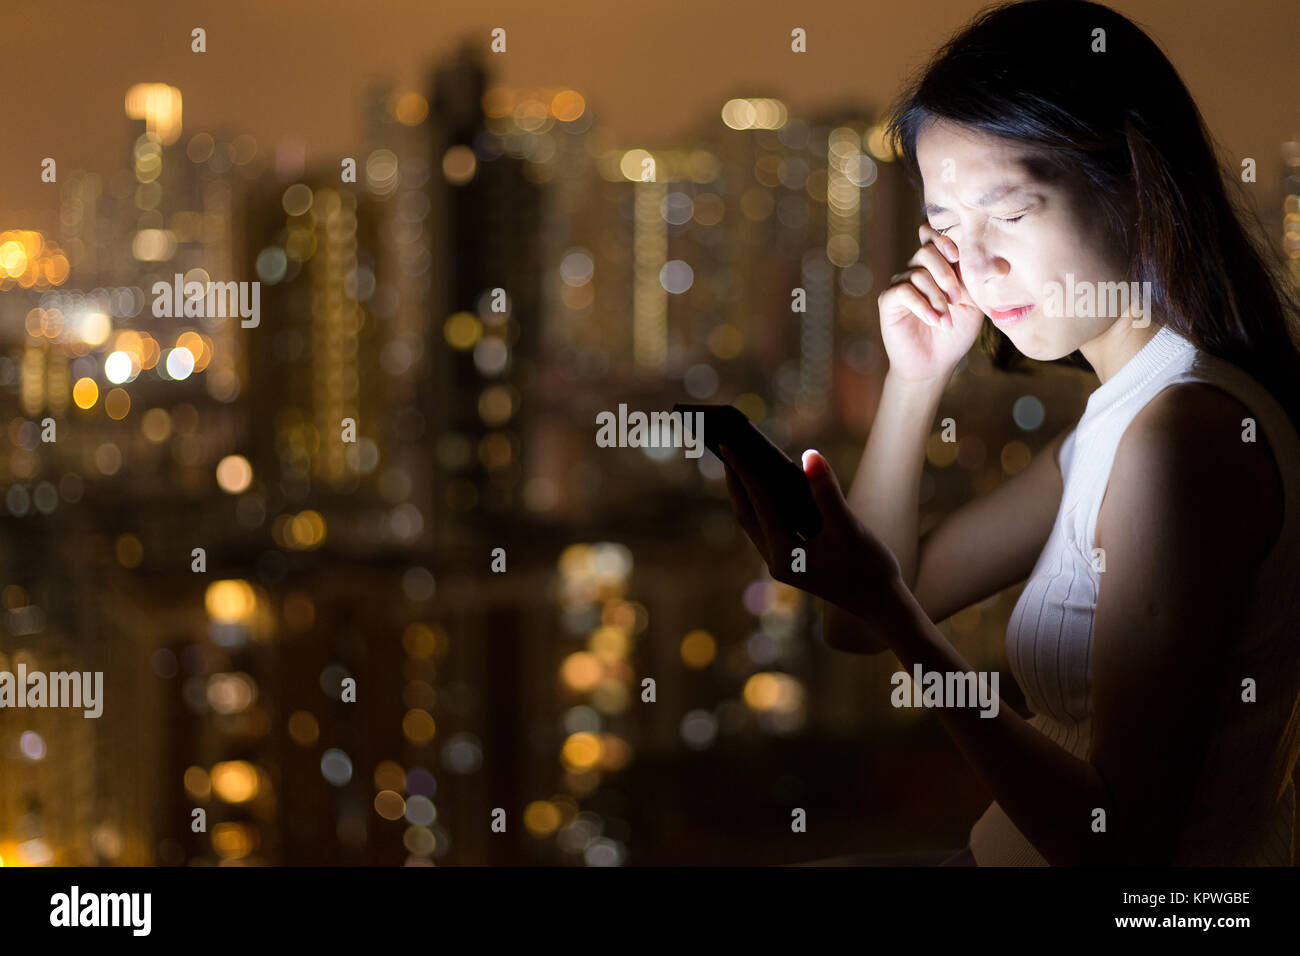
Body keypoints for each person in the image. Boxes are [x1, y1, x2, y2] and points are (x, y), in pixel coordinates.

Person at [720, 0, 1300, 865]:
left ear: (1137, 184)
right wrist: (917, 379)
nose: (977, 265)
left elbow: (1122, 843)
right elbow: (857, 627)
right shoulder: (1124, 418)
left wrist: (888, 606)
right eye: (948, 226)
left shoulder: (1189, 434)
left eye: (1013, 213)